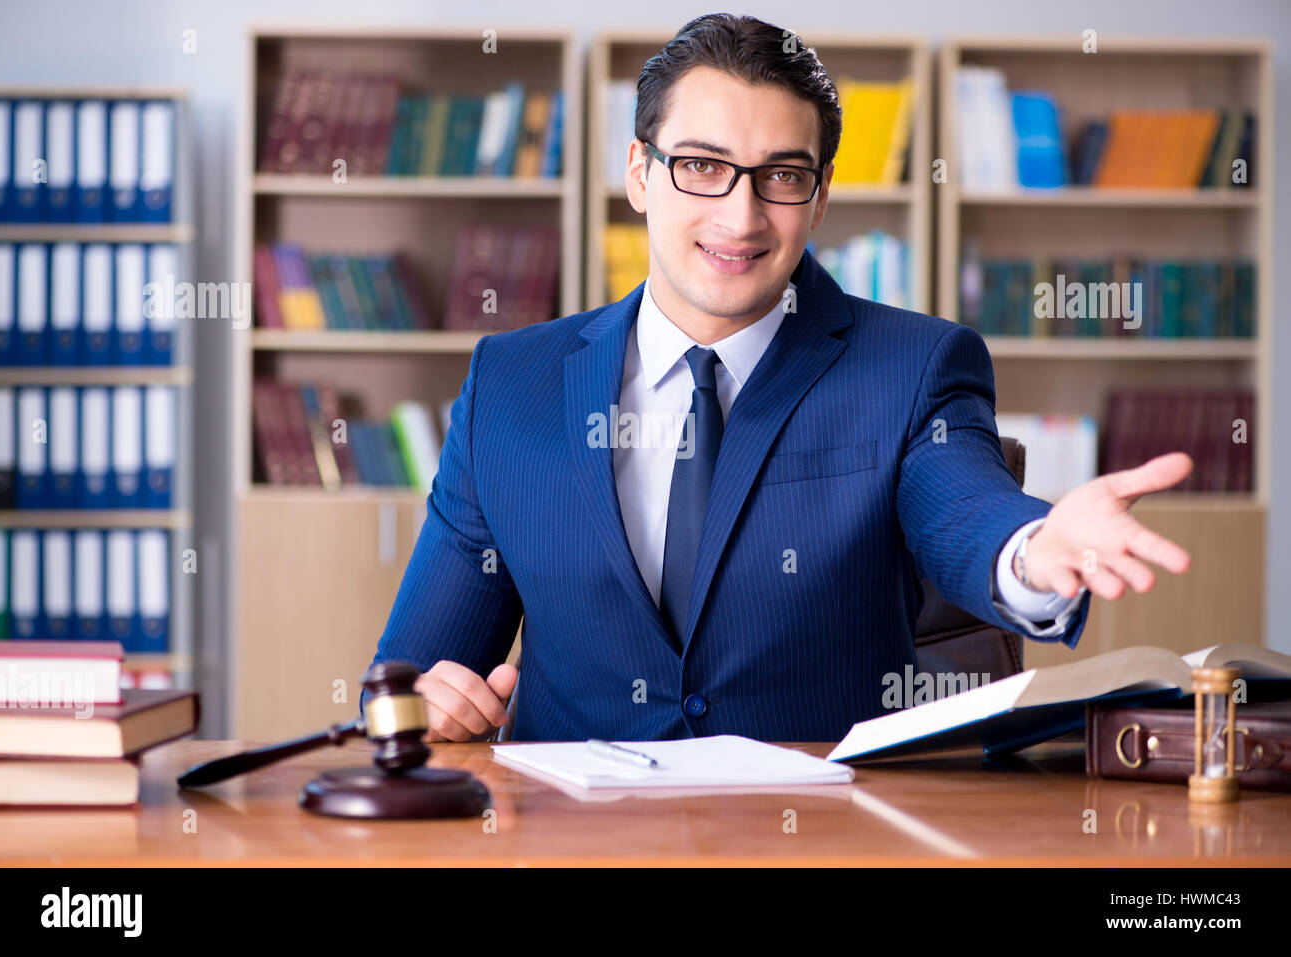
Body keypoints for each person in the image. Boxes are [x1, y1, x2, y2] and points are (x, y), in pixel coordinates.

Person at [364, 13, 1192, 742]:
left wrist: (1036, 550)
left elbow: (964, 506)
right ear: (640, 173)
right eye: (702, 165)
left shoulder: (912, 366)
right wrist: (427, 704)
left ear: (821, 195)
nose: (741, 215)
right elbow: (404, 681)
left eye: (783, 176)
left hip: (824, 838)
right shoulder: (513, 384)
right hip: (573, 839)